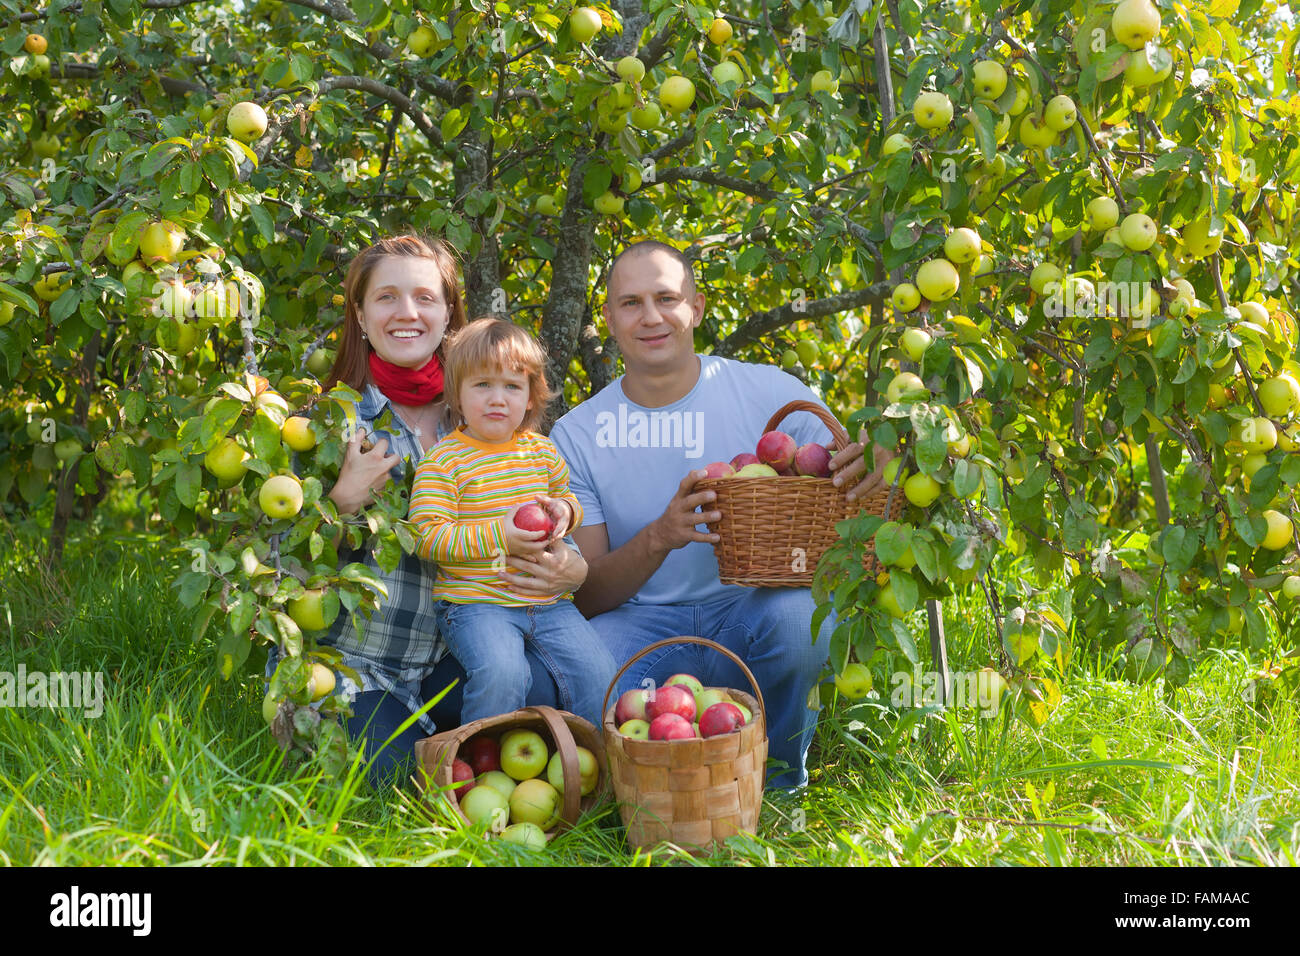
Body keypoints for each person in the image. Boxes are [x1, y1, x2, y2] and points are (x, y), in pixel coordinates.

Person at [549, 240, 888, 790]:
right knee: (571, 675)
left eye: (667, 297)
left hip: (747, 614)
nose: (652, 316)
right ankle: (644, 793)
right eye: (631, 303)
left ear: (697, 308)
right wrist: (661, 535)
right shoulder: (579, 434)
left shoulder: (766, 391)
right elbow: (587, 595)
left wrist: (882, 451)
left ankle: (776, 782)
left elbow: (840, 473)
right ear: (608, 319)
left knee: (801, 621)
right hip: (640, 625)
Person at [295, 235, 590, 790]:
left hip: (460, 650)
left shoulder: (485, 408)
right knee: (398, 783)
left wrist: (571, 566)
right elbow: (277, 568)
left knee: (552, 692)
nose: (407, 313)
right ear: (359, 315)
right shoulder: (330, 421)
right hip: (366, 664)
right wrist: (340, 504)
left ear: (449, 315)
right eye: (387, 298)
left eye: (425, 298)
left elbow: (536, 506)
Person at [407, 318, 617, 729]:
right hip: (476, 604)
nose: (497, 399)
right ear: (458, 395)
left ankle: (601, 772)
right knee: (504, 674)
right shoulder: (445, 460)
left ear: (531, 397)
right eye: (482, 385)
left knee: (600, 672)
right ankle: (481, 769)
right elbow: (425, 536)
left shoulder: (541, 452)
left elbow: (569, 499)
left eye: (512, 386)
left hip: (549, 603)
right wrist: (497, 535)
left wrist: (564, 513)